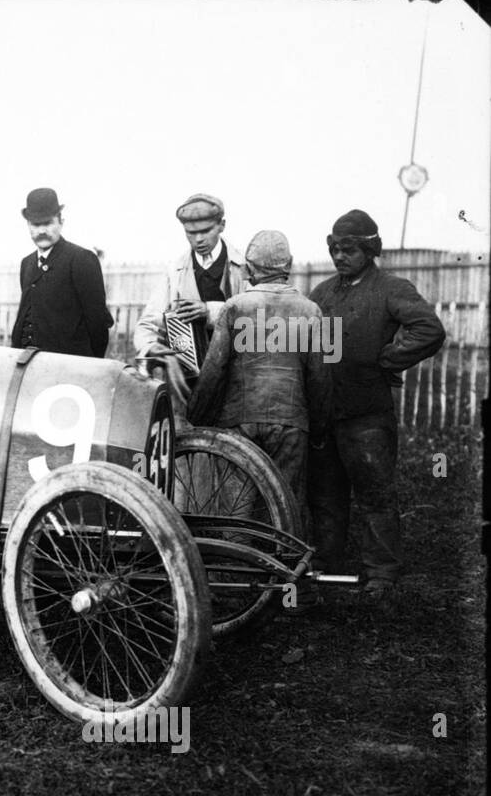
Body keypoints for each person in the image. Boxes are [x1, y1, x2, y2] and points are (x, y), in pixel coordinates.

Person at [307, 210, 445, 597]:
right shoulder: (322, 293)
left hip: (368, 413)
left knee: (376, 493)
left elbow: (429, 329)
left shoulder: (391, 288)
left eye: (348, 249)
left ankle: (382, 574)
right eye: (334, 248)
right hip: (328, 413)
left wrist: (389, 357)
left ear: (370, 249)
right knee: (326, 494)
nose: (339, 256)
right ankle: (325, 566)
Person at [188, 231, 332, 541]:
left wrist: (197, 416)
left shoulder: (235, 307)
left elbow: (214, 369)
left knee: (235, 500)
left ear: (249, 269)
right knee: (285, 499)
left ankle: (236, 573)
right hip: (291, 421)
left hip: (240, 419)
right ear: (289, 265)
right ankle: (285, 573)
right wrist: (319, 428)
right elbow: (321, 377)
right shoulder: (312, 311)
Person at [134, 193, 247, 361]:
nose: (199, 239)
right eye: (191, 233)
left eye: (206, 231)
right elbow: (148, 323)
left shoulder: (244, 268)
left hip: (235, 372)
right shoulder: (175, 271)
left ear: (222, 225)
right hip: (190, 375)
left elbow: (259, 319)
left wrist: (211, 311)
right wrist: (150, 346)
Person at [10, 187, 112, 357]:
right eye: (36, 224)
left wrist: (90, 366)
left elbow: (97, 323)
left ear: (61, 222)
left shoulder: (81, 259)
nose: (42, 231)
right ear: (28, 226)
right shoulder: (27, 264)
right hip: (27, 364)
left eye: (48, 223)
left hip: (67, 366)